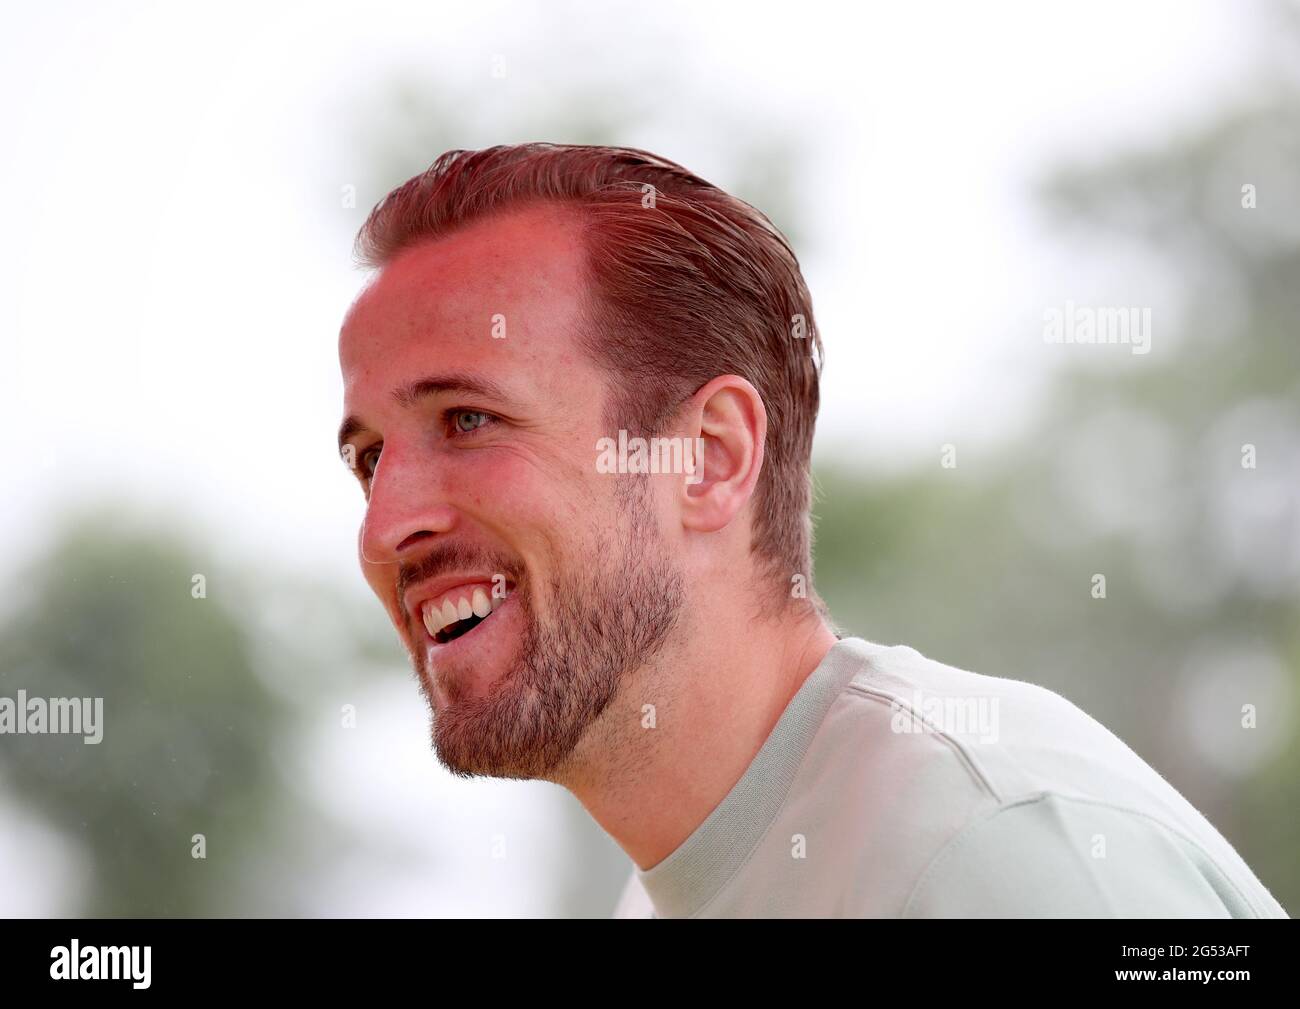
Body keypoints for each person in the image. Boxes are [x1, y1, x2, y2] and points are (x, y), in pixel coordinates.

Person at [335, 143, 1288, 918]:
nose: (387, 525)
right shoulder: (668, 893)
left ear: (707, 458)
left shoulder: (981, 851)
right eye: (371, 457)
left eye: (468, 419)